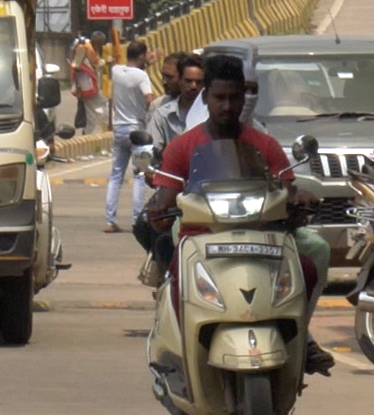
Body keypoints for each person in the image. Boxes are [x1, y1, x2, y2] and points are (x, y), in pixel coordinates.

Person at [135, 52, 333, 370]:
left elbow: (287, 188)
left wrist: (300, 198)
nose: (227, 106)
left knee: (313, 259)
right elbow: (168, 197)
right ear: (206, 97)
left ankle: (301, 336)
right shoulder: (182, 147)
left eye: (234, 98)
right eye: (219, 98)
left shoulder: (264, 145)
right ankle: (178, 346)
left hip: (261, 235)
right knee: (177, 275)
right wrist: (158, 209)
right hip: (202, 234)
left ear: (244, 98)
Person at [103, 41, 159, 232]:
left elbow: (131, 74)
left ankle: (110, 221)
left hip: (119, 129)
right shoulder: (142, 76)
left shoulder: (117, 71)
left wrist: (147, 63)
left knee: (116, 175)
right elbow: (148, 98)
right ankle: (136, 220)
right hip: (138, 131)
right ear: (142, 56)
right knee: (141, 175)